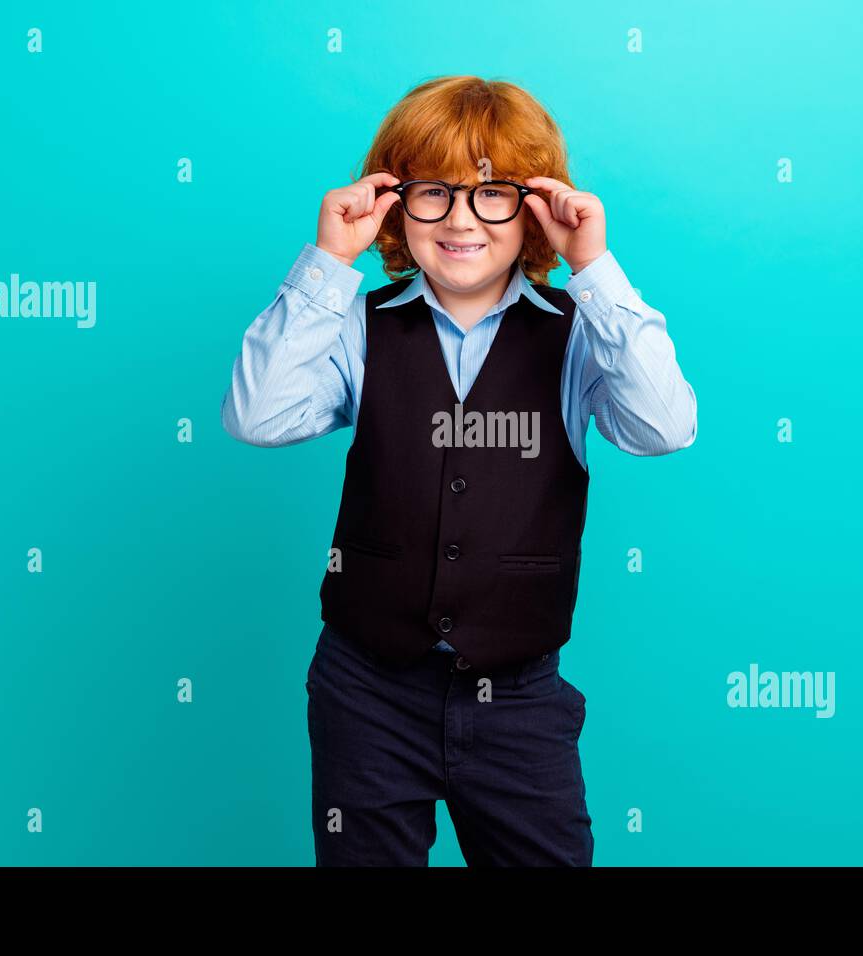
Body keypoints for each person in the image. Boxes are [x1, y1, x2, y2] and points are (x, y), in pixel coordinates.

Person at [221, 75, 696, 865]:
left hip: (519, 698)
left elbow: (665, 427)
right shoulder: (358, 325)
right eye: (434, 192)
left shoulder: (582, 334)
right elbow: (255, 415)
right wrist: (328, 263)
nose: (463, 219)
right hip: (366, 690)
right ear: (394, 203)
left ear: (537, 207)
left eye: (493, 194)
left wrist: (595, 267)